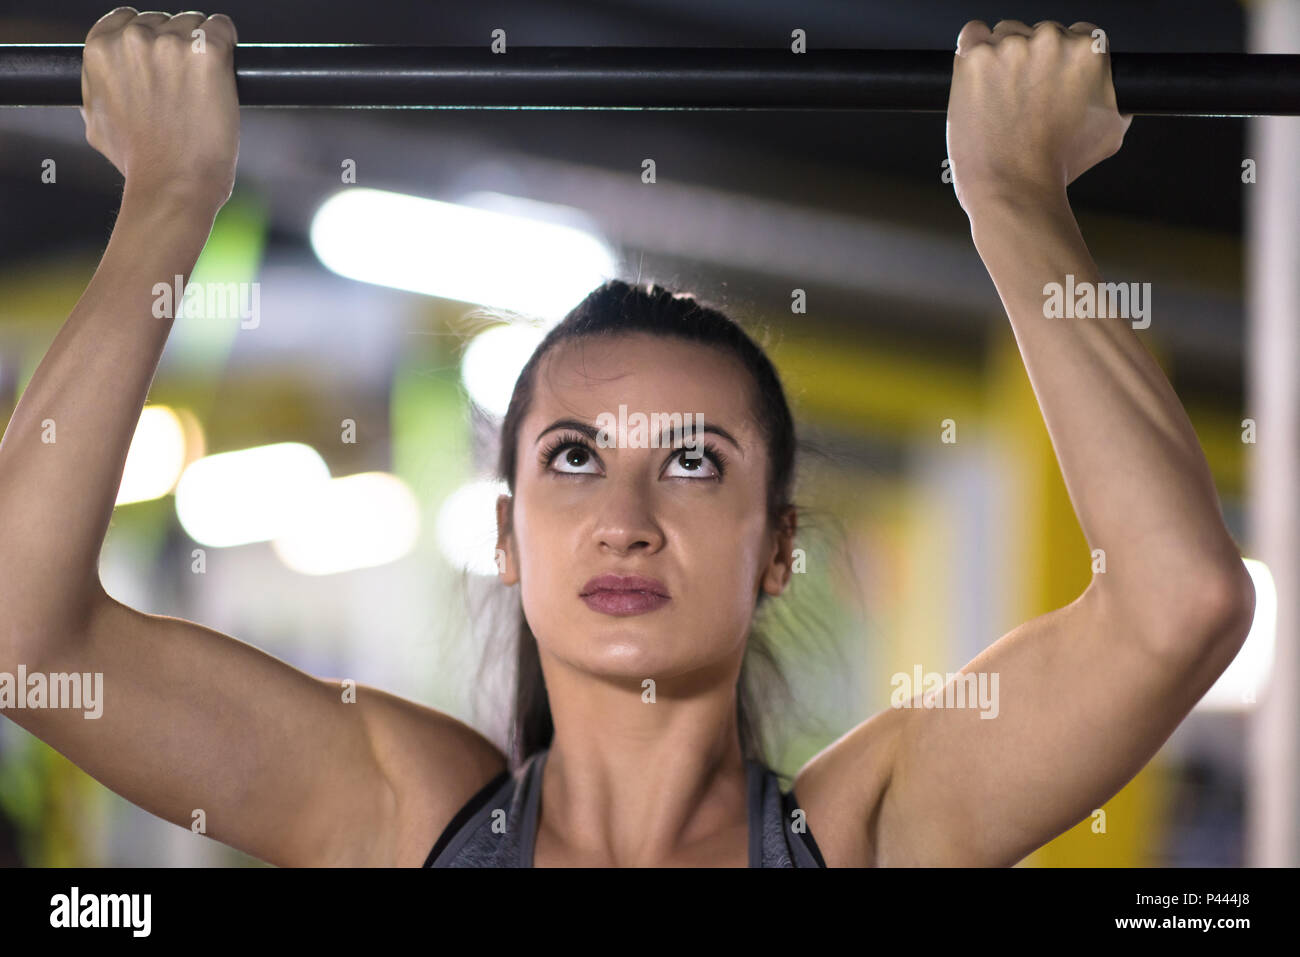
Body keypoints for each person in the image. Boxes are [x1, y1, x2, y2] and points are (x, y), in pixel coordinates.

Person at [0, 10, 1255, 867]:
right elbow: (23, 626)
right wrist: (169, 201)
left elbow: (1178, 600)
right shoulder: (397, 811)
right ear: (506, 534)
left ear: (776, 550)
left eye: (695, 461)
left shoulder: (874, 829)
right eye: (573, 456)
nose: (626, 516)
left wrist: (1011, 199)